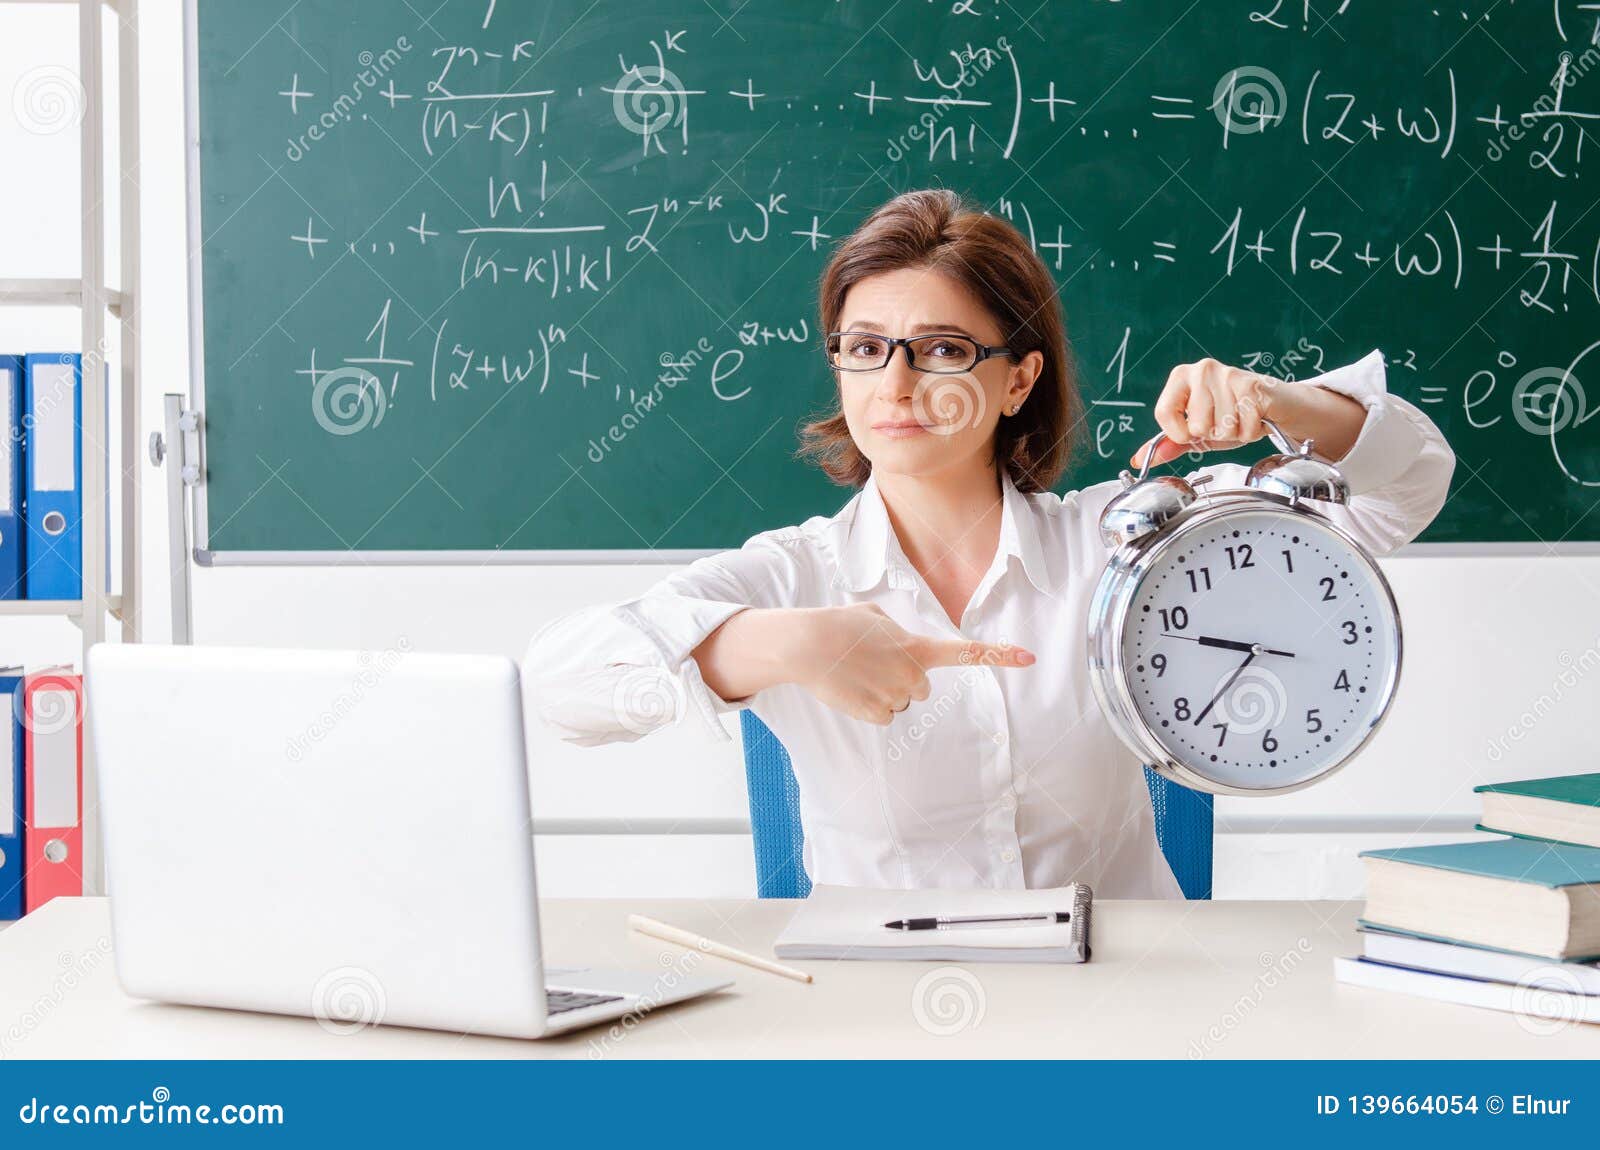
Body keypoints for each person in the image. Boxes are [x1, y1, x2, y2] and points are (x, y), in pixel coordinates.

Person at [526, 188, 1455, 897]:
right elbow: (560, 690)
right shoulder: (794, 574)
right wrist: (788, 644)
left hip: (1124, 1011)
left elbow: (1409, 482)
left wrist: (1282, 402)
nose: (895, 385)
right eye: (864, 348)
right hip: (885, 1018)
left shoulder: (1131, 543)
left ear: (1018, 381)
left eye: (942, 350)